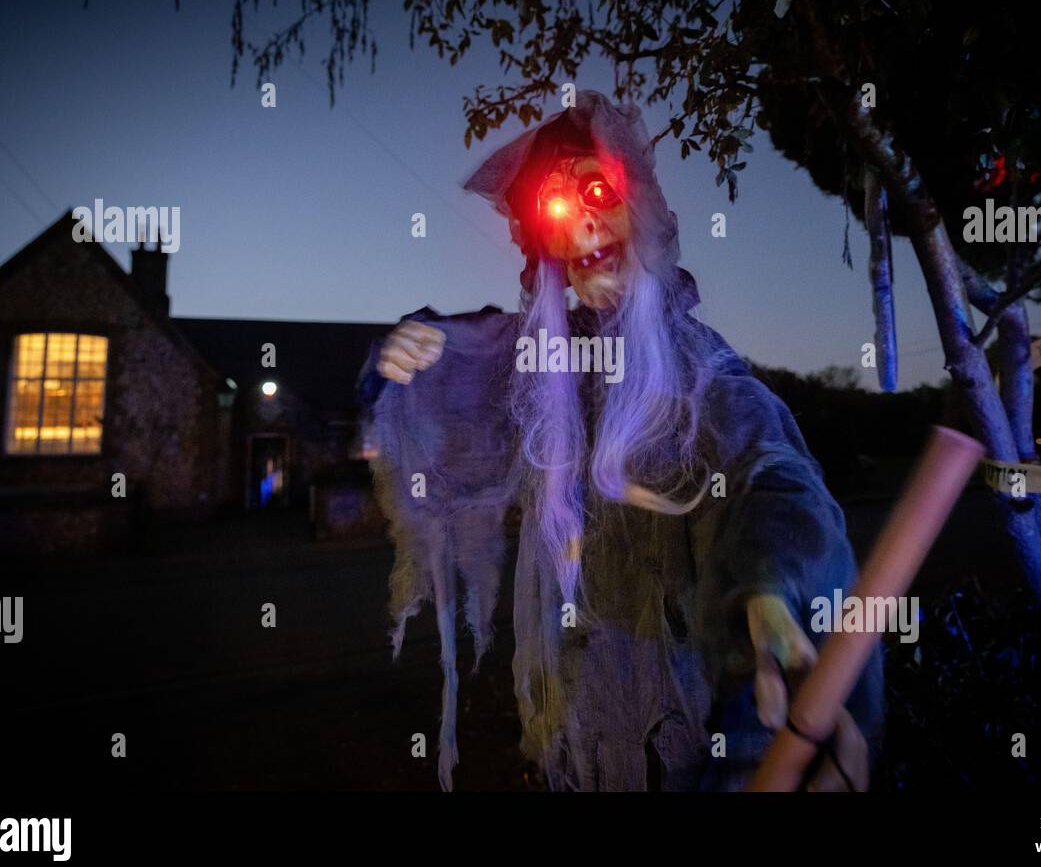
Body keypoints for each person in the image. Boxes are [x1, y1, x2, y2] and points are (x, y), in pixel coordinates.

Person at [360, 91, 882, 791]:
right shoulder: (548, 370)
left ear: (646, 213)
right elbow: (466, 381)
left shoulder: (700, 373)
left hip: (681, 748)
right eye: (556, 214)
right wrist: (412, 355)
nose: (580, 230)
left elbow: (769, 475)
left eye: (597, 191)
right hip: (573, 739)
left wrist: (768, 590)